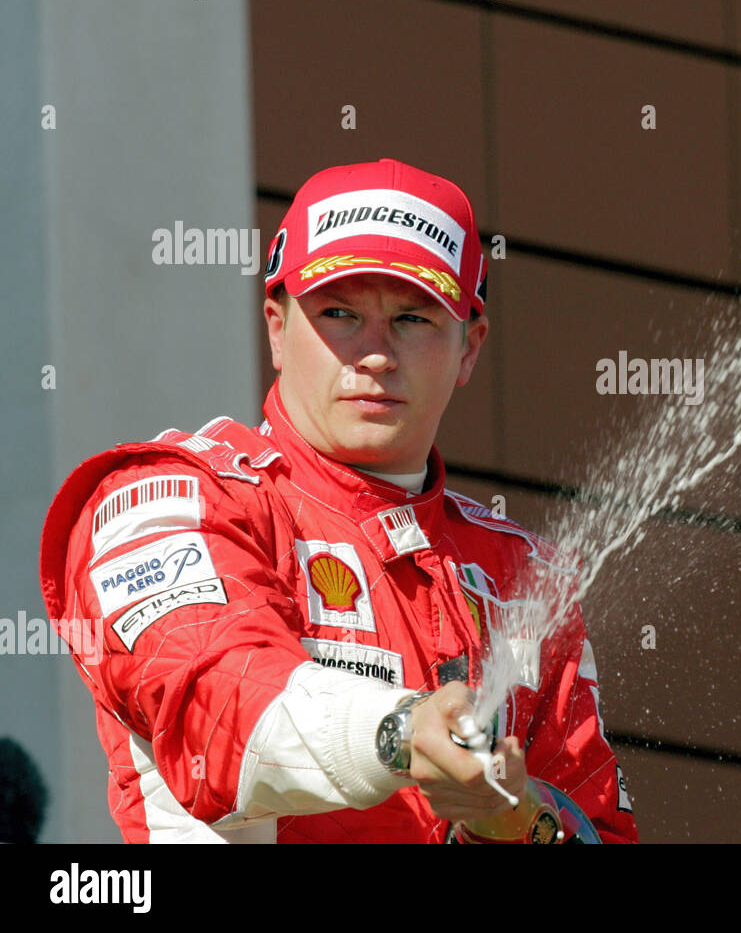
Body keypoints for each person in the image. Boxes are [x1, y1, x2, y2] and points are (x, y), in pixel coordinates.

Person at [38, 158, 637, 843]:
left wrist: (520, 825)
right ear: (275, 328)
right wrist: (400, 733)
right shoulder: (171, 496)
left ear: (470, 350)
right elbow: (219, 704)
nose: (376, 353)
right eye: (340, 313)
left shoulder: (525, 577)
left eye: (413, 318)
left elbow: (596, 826)